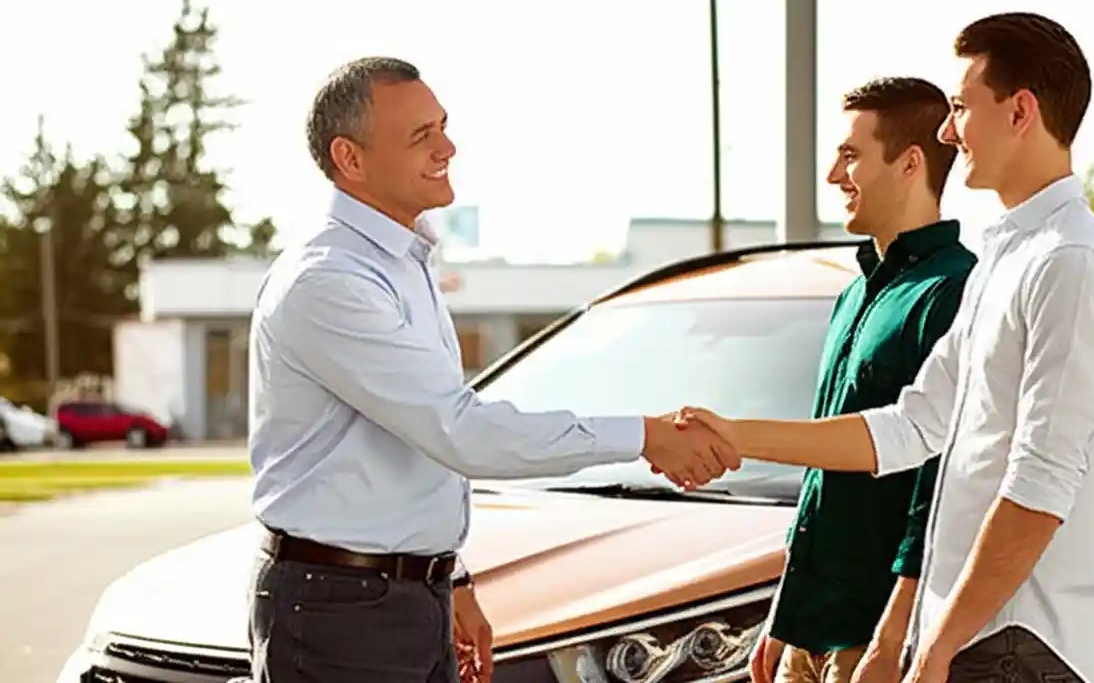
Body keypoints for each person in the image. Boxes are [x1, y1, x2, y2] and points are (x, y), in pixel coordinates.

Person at [679, 12, 1094, 683]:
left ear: (1020, 112)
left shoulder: (1071, 263)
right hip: (971, 638)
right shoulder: (1007, 258)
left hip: (1014, 646)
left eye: (960, 107)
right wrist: (735, 435)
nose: (949, 131)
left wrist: (937, 645)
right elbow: (910, 427)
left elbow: (1041, 483)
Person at [245, 56, 738, 683]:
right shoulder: (331, 280)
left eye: (442, 127)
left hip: (399, 599)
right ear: (351, 158)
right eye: (420, 136)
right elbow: (461, 432)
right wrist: (645, 436)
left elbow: (413, 452)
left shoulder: (401, 261)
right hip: (341, 614)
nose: (447, 148)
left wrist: (449, 576)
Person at [747, 77, 975, 683]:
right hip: (809, 630)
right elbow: (822, 473)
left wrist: (892, 637)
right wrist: (785, 613)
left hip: (876, 641)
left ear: (910, 163)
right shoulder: (854, 294)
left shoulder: (955, 291)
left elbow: (939, 487)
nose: (833, 175)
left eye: (850, 155)